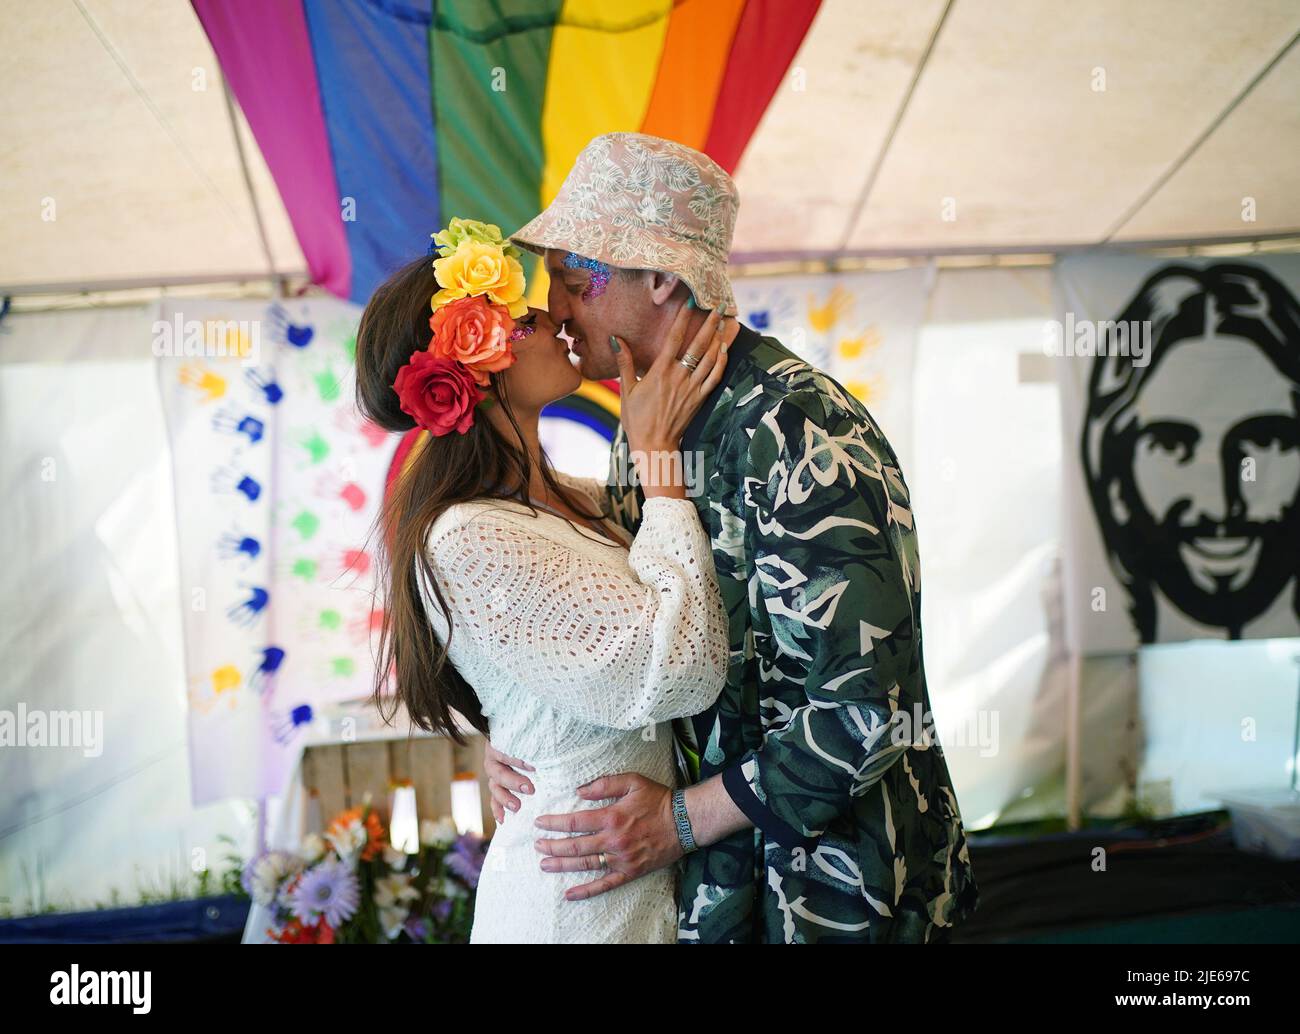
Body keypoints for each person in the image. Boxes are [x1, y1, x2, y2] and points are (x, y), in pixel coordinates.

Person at [486, 132, 980, 943]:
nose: (558, 312)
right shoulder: (649, 421)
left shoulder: (799, 427)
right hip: (730, 883)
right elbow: (633, 630)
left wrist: (680, 820)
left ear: (660, 278)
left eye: (576, 282)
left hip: (842, 891)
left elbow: (869, 711)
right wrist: (509, 735)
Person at [354, 217, 734, 943]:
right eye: (514, 315)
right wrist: (658, 460)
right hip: (573, 900)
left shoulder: (574, 497)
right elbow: (679, 671)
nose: (549, 315)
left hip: (615, 871)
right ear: (472, 361)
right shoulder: (467, 536)